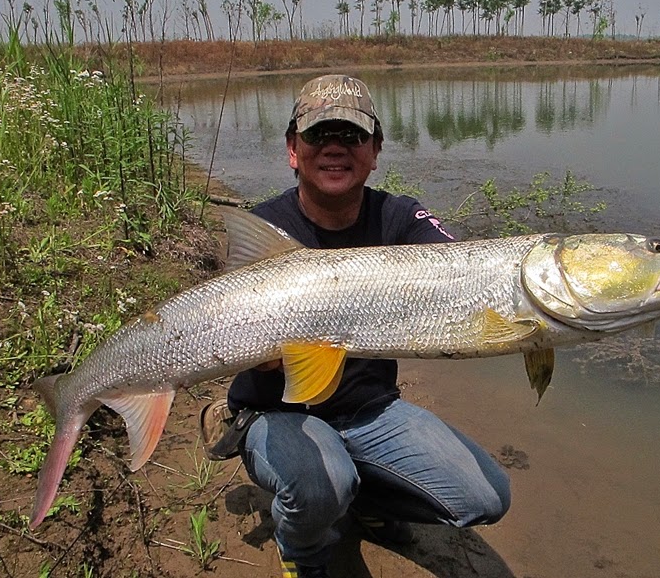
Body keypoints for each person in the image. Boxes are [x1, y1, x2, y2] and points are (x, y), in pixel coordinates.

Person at [206, 74, 511, 578]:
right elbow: (227, 326)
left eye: (351, 136)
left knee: (486, 495)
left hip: (370, 410)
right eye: (318, 135)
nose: (334, 148)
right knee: (318, 484)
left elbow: (464, 271)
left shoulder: (401, 217)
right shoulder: (265, 228)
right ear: (292, 148)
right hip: (276, 411)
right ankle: (302, 548)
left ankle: (364, 502)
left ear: (375, 151)